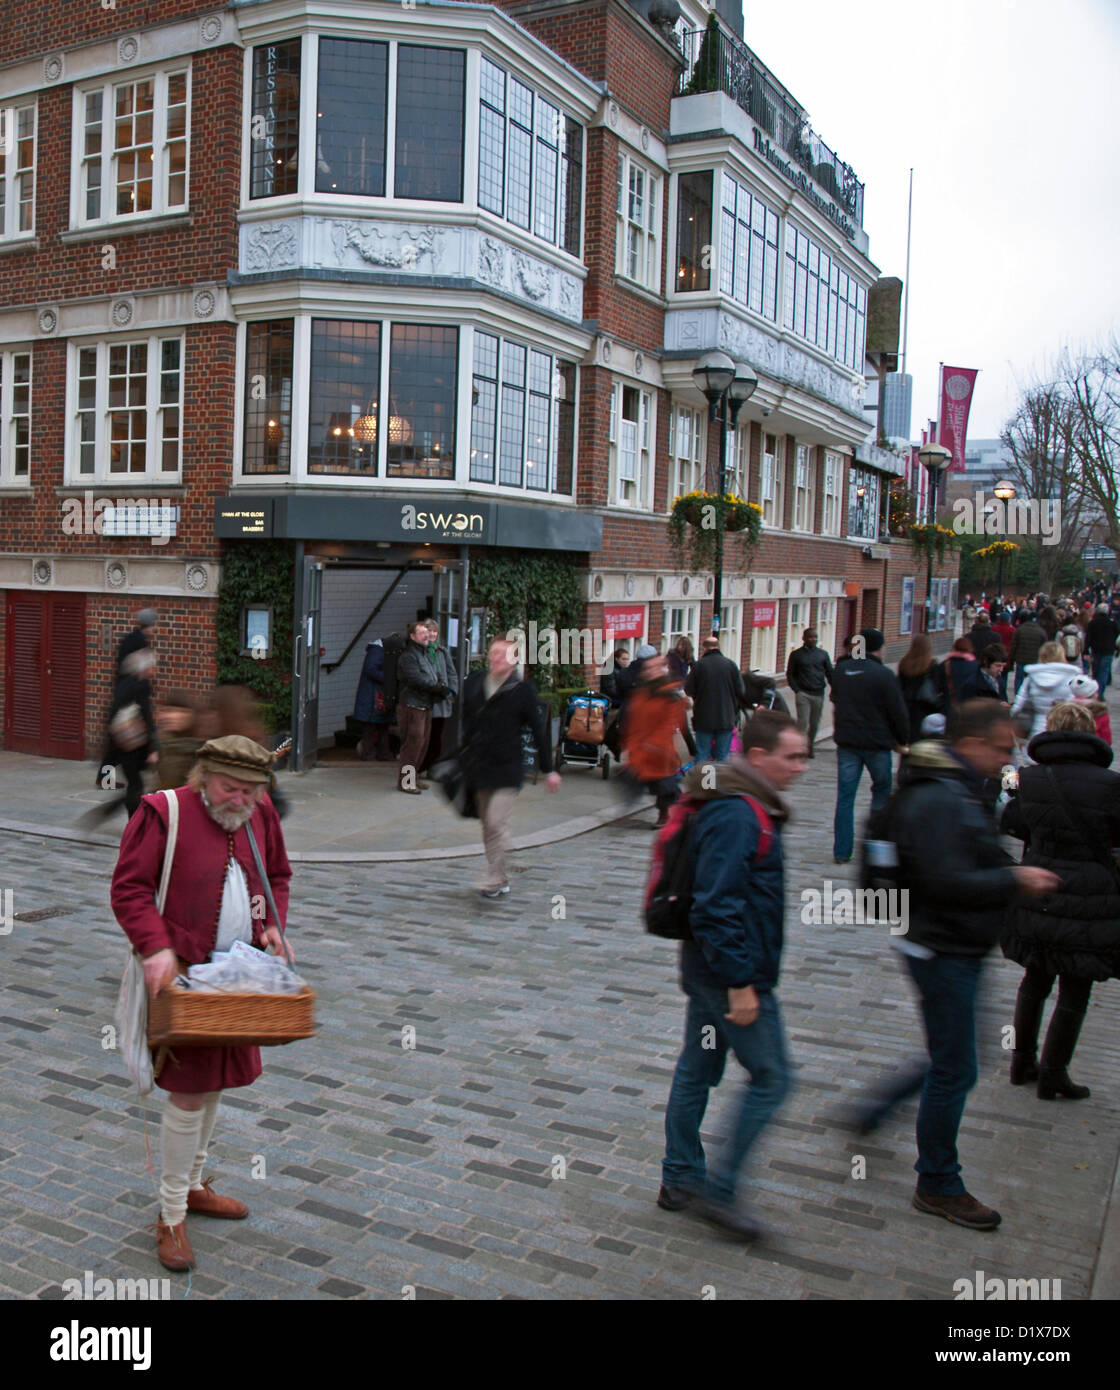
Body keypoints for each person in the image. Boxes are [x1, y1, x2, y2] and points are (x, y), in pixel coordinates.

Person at [864, 701, 1058, 1228]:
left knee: (955, 1057)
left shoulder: (958, 788)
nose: (1006, 758)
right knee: (956, 1066)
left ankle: (875, 1112)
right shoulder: (942, 798)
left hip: (949, 945)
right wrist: (1014, 881)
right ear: (971, 743)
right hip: (939, 946)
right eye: (1000, 748)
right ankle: (938, 1182)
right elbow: (946, 881)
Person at [110, 735, 293, 1273]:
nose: (238, 800)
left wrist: (274, 929)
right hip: (183, 978)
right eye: (228, 788)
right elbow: (129, 890)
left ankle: (192, 1185)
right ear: (202, 778)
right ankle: (169, 1216)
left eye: (249, 791)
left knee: (213, 1085)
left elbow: (276, 876)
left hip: (237, 976)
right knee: (188, 1094)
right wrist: (156, 948)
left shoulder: (259, 815)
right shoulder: (163, 812)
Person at [659, 710, 809, 1238]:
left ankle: (680, 1178)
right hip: (728, 974)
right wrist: (741, 983)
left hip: (710, 969)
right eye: (793, 757)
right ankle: (718, 1192)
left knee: (696, 1070)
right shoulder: (740, 813)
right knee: (773, 1078)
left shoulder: (743, 802)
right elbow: (715, 906)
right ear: (761, 757)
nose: (802, 767)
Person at [1001, 701, 1120, 1099]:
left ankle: (1021, 1061)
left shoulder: (1025, 778)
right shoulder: (1111, 784)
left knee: (1034, 979)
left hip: (1039, 889)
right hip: (1090, 898)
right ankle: (1054, 1072)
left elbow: (1011, 821)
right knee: (1075, 987)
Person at [459, 637, 559, 898]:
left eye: (503, 655)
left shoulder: (521, 690)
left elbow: (539, 731)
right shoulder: (475, 683)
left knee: (495, 821)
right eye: (493, 653)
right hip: (480, 768)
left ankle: (493, 876)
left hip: (507, 769)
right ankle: (499, 876)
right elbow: (466, 722)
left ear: (514, 660)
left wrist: (549, 770)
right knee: (487, 826)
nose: (496, 659)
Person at [830, 628, 909, 864]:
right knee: (881, 794)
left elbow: (836, 699)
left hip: (847, 742)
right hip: (877, 743)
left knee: (845, 797)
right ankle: (875, 847)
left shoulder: (842, 670)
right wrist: (902, 739)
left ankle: (842, 851)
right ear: (879, 647)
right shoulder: (883, 674)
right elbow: (897, 711)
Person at [621, 652, 697, 826]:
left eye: (656, 667)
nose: (652, 671)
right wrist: (629, 743)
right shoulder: (641, 693)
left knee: (663, 785)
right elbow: (633, 720)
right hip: (640, 749)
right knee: (634, 780)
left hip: (660, 751)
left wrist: (654, 744)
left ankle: (666, 813)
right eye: (648, 668)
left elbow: (670, 724)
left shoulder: (669, 695)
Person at [92, 648, 160, 820]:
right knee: (136, 784)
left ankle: (107, 789)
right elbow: (147, 717)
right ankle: (127, 816)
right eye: (152, 666)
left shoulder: (123, 684)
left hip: (119, 740)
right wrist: (154, 746)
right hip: (132, 743)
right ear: (144, 668)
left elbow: (112, 713)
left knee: (128, 777)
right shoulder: (141, 686)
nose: (155, 670)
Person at [395, 619, 450, 794]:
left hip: (425, 704)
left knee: (422, 744)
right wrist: (438, 688)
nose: (427, 635)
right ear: (413, 636)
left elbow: (435, 673)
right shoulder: (409, 656)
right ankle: (406, 782)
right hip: (413, 706)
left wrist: (440, 685)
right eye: (422, 633)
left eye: (427, 632)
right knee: (412, 745)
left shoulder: (424, 653)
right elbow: (418, 680)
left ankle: (414, 778)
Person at [685, 636, 746, 763]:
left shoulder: (699, 666)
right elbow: (741, 690)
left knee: (702, 755)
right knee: (723, 756)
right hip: (726, 717)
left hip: (703, 718)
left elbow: (688, 689)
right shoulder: (730, 665)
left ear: (704, 648)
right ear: (719, 647)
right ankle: (719, 782)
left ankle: (705, 782)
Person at [1011, 641, 1081, 745]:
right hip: (1062, 728)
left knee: (1035, 755)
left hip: (1035, 728)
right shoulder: (1071, 678)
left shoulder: (1031, 678)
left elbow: (1019, 703)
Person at [418, 617, 459, 776]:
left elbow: (451, 673)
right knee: (423, 737)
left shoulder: (442, 651)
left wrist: (452, 691)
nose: (433, 633)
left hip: (441, 701)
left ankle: (432, 767)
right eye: (429, 630)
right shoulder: (419, 651)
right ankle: (419, 766)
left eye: (435, 630)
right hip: (426, 701)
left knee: (436, 737)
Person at [785, 627, 834, 757]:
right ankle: (798, 748)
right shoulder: (796, 655)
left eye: (815, 637)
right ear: (804, 639)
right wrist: (796, 690)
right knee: (803, 722)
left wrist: (834, 688)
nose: (813, 639)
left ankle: (810, 745)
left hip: (818, 693)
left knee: (815, 722)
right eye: (810, 637)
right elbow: (790, 674)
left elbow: (830, 673)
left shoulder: (823, 654)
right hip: (803, 693)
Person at [896, 634, 945, 744]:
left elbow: (900, 686)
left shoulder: (904, 663)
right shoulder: (932, 665)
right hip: (926, 708)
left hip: (907, 708)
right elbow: (937, 687)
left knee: (909, 741)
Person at [155, 690, 204, 791]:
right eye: (169, 711)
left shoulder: (200, 747)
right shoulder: (161, 741)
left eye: (181, 711)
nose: (173, 717)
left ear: (192, 715)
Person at [354, 639, 392, 761]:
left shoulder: (376, 651)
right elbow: (371, 670)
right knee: (377, 727)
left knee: (377, 727)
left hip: (374, 698)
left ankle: (375, 753)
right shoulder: (378, 652)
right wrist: (389, 678)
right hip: (374, 697)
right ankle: (377, 753)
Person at [1009, 609, 1046, 692]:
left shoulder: (1019, 630)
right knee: (1033, 680)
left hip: (1021, 659)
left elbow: (1014, 645)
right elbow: (1044, 647)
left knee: (1019, 679)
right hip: (1034, 660)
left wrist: (1011, 659)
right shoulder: (1041, 631)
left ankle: (1018, 696)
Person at [115, 607, 158, 678]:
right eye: (153, 625)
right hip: (130, 686)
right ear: (148, 625)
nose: (154, 629)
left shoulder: (134, 638)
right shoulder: (138, 641)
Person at [1086, 603, 1119, 694]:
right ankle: (1100, 693)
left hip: (1095, 650)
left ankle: (1095, 690)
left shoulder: (1093, 622)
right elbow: (1117, 635)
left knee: (1096, 671)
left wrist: (1086, 650)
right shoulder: (1112, 622)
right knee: (1104, 671)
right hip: (1108, 650)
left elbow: (1088, 637)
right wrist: (1116, 648)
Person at [941, 637, 978, 707]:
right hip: (969, 703)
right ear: (970, 648)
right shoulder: (975, 665)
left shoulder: (945, 664)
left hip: (949, 702)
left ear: (954, 647)